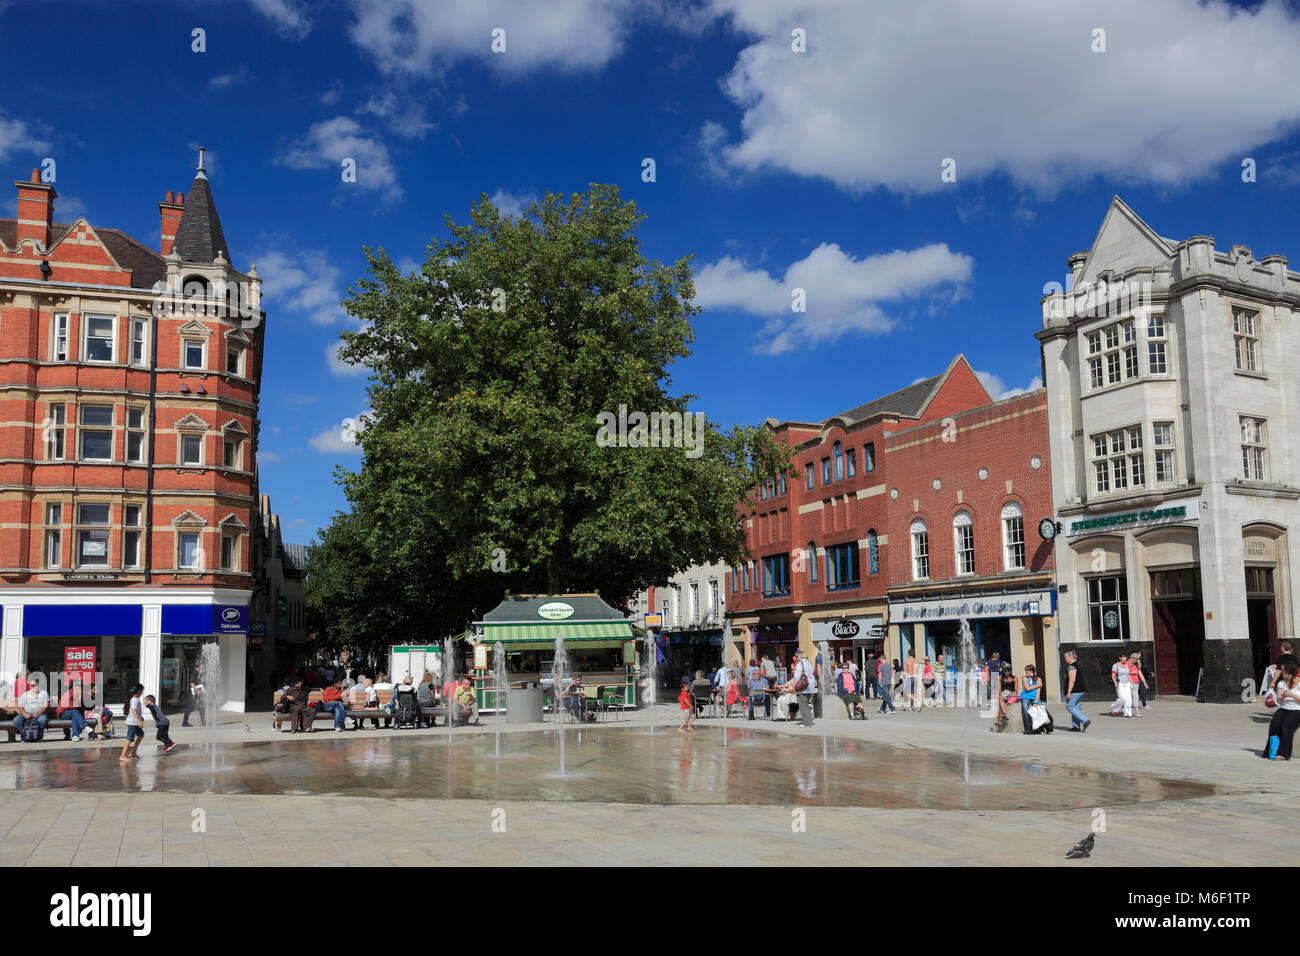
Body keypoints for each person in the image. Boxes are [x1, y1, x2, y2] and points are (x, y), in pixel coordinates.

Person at [1264, 661, 1300, 760]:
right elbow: (1279, 701)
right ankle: (1271, 751)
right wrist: (1283, 697)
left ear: (1290, 673)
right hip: (1284, 708)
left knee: (1286, 727)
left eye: (1284, 672)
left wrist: (1292, 695)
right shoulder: (1281, 683)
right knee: (1274, 726)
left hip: (1297, 709)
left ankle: (1284, 754)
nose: (1282, 674)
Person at [14, 675, 50, 741]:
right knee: (16, 720)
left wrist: (38, 713)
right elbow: (21, 706)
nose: (35, 687)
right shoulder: (25, 694)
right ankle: (25, 735)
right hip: (27, 713)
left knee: (42, 720)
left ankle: (38, 735)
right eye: (33, 686)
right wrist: (24, 714)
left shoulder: (44, 693)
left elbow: (46, 705)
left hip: (40, 713)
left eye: (36, 685)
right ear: (29, 687)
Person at [788, 648, 816, 727]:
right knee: (806, 704)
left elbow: (797, 677)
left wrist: (794, 686)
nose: (796, 658)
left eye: (797, 657)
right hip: (810, 687)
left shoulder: (800, 664)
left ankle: (807, 723)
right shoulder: (809, 664)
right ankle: (808, 721)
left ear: (800, 657)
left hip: (802, 687)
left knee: (803, 705)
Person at [1063, 650, 1090, 732]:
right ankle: (1076, 726)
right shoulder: (1078, 664)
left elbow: (1072, 680)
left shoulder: (1072, 667)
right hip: (1080, 690)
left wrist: (1069, 691)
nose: (1065, 659)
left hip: (1075, 691)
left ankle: (1085, 721)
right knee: (1075, 707)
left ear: (1071, 657)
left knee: (1070, 706)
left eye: (1065, 657)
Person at [120, 684, 145, 761]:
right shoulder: (134, 700)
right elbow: (134, 711)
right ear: (139, 691)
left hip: (135, 722)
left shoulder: (135, 699)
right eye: (142, 691)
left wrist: (140, 718)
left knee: (141, 735)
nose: (142, 692)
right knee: (129, 738)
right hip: (133, 723)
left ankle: (133, 753)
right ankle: (122, 756)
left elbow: (136, 711)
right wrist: (139, 721)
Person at [1110, 652, 1134, 717]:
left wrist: (1132, 683)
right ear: (1120, 657)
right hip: (1120, 684)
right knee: (1122, 698)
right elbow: (1113, 675)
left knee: (1128, 699)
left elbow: (1128, 675)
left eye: (1126, 657)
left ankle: (1128, 713)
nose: (1125, 658)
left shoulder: (1126, 665)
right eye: (1124, 657)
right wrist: (1115, 683)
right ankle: (1113, 707)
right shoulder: (1115, 665)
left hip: (1127, 684)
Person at [1020, 665, 1042, 734]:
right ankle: (1028, 728)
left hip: (1035, 697)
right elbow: (1027, 688)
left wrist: (1036, 701)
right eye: (1026, 670)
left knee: (1039, 708)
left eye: (1028, 670)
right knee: (1025, 708)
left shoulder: (1038, 679)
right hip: (1025, 696)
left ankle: (1039, 729)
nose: (1026, 672)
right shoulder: (1024, 677)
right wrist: (1037, 685)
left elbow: (1038, 691)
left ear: (1032, 671)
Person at [995, 665, 1018, 729]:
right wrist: (1002, 693)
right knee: (1000, 696)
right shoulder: (1000, 677)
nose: (1007, 672)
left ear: (1011, 671)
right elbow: (999, 689)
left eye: (1008, 671)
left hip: (1012, 695)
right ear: (1003, 671)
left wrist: (1010, 693)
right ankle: (1004, 714)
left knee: (1000, 700)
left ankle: (1000, 720)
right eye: (1005, 671)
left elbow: (1016, 690)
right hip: (1003, 695)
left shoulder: (1015, 678)